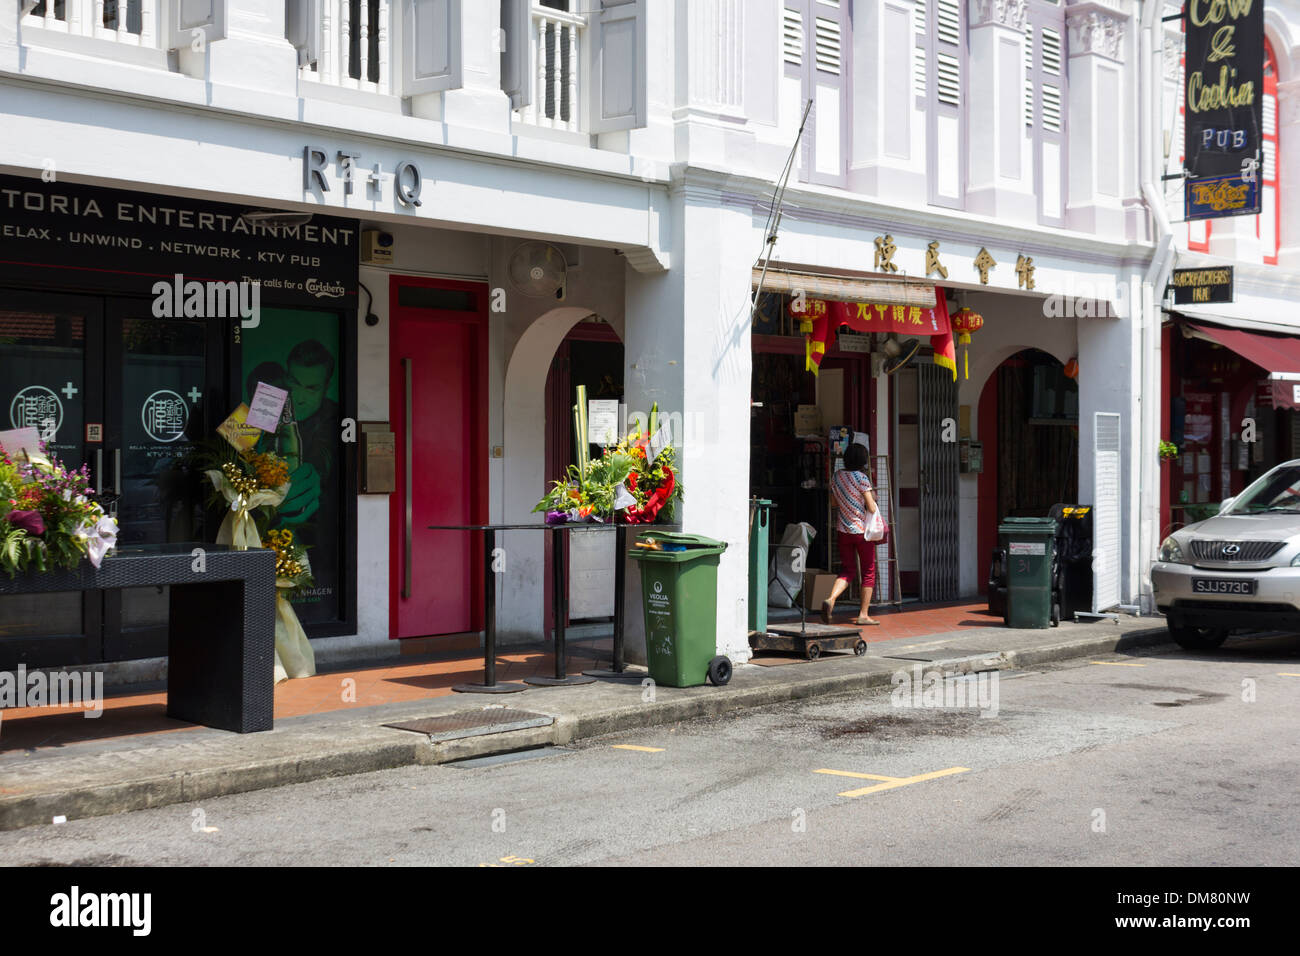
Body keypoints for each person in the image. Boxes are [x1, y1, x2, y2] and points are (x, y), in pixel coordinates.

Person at [823, 442, 881, 626]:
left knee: (848, 570)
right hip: (862, 532)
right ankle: (863, 614)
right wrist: (871, 497)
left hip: (843, 530)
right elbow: (871, 507)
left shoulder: (837, 477)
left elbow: (833, 503)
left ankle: (831, 598)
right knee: (869, 572)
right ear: (863, 460)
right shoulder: (862, 478)